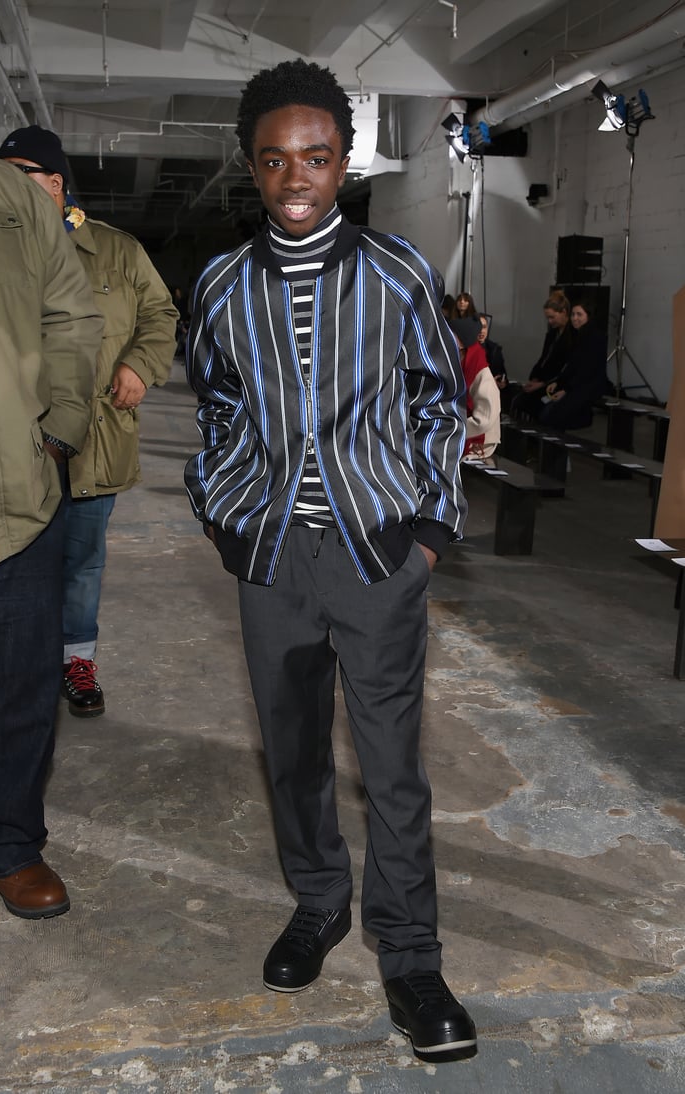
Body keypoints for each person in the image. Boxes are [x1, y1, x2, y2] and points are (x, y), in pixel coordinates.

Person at [184, 58, 477, 1065]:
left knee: (391, 764)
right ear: (251, 168)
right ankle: (317, 901)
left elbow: (441, 401)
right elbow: (214, 405)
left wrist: (426, 530)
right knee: (293, 746)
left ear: (343, 161)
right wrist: (222, 512)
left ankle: (409, 954)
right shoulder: (221, 284)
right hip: (270, 557)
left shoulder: (397, 272)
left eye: (314, 156)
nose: (295, 177)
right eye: (274, 160)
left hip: (375, 557)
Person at [0, 144, 103, 917]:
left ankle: (5, 840)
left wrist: (61, 428)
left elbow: (71, 312)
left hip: (8, 475)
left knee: (15, 672)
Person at [0, 126, 178, 718]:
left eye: (19, 172)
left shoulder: (116, 251)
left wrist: (140, 367)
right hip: (11, 441)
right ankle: (15, 664)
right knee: (11, 558)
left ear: (54, 184)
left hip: (93, 441)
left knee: (80, 560)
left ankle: (76, 659)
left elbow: (160, 313)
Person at [537, 300, 610, 429]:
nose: (575, 318)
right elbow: (571, 365)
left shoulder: (595, 337)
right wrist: (558, 382)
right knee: (544, 409)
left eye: (579, 315)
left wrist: (566, 390)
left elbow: (587, 370)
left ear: (588, 316)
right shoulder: (579, 335)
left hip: (588, 386)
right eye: (573, 314)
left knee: (552, 415)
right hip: (577, 384)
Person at [510, 289, 573, 420]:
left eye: (552, 317)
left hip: (557, 384)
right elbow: (544, 358)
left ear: (564, 313)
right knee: (518, 400)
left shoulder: (572, 337)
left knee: (539, 408)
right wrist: (534, 378)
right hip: (544, 381)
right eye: (548, 318)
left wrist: (543, 383)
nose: (550, 321)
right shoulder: (552, 334)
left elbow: (566, 367)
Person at [449, 317, 501, 458]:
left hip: (479, 439)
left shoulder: (481, 372)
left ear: (460, 341)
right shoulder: (459, 362)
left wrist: (451, 428)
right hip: (461, 429)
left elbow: (484, 419)